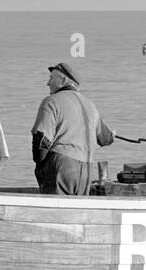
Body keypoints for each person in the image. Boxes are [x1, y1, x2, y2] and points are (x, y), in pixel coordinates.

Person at [31, 62, 114, 195]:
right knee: (78, 212)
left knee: (55, 211)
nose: (48, 83)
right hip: (85, 170)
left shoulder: (51, 101)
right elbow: (105, 138)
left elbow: (42, 140)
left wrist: (40, 164)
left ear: (63, 80)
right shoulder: (90, 106)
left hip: (60, 165)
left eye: (51, 78)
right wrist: (112, 136)